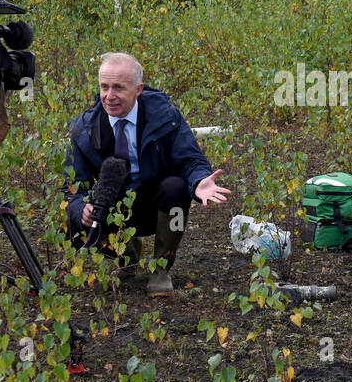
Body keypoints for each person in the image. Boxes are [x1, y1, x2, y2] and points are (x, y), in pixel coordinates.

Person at [64, 53, 230, 295]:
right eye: (104, 87)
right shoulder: (83, 129)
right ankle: (125, 254)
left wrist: (198, 182)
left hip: (155, 203)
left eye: (119, 88)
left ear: (138, 89)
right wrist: (81, 209)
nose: (109, 97)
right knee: (71, 220)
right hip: (113, 204)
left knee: (177, 187)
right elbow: (73, 187)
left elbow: (190, 159)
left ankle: (161, 267)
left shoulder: (165, 116)